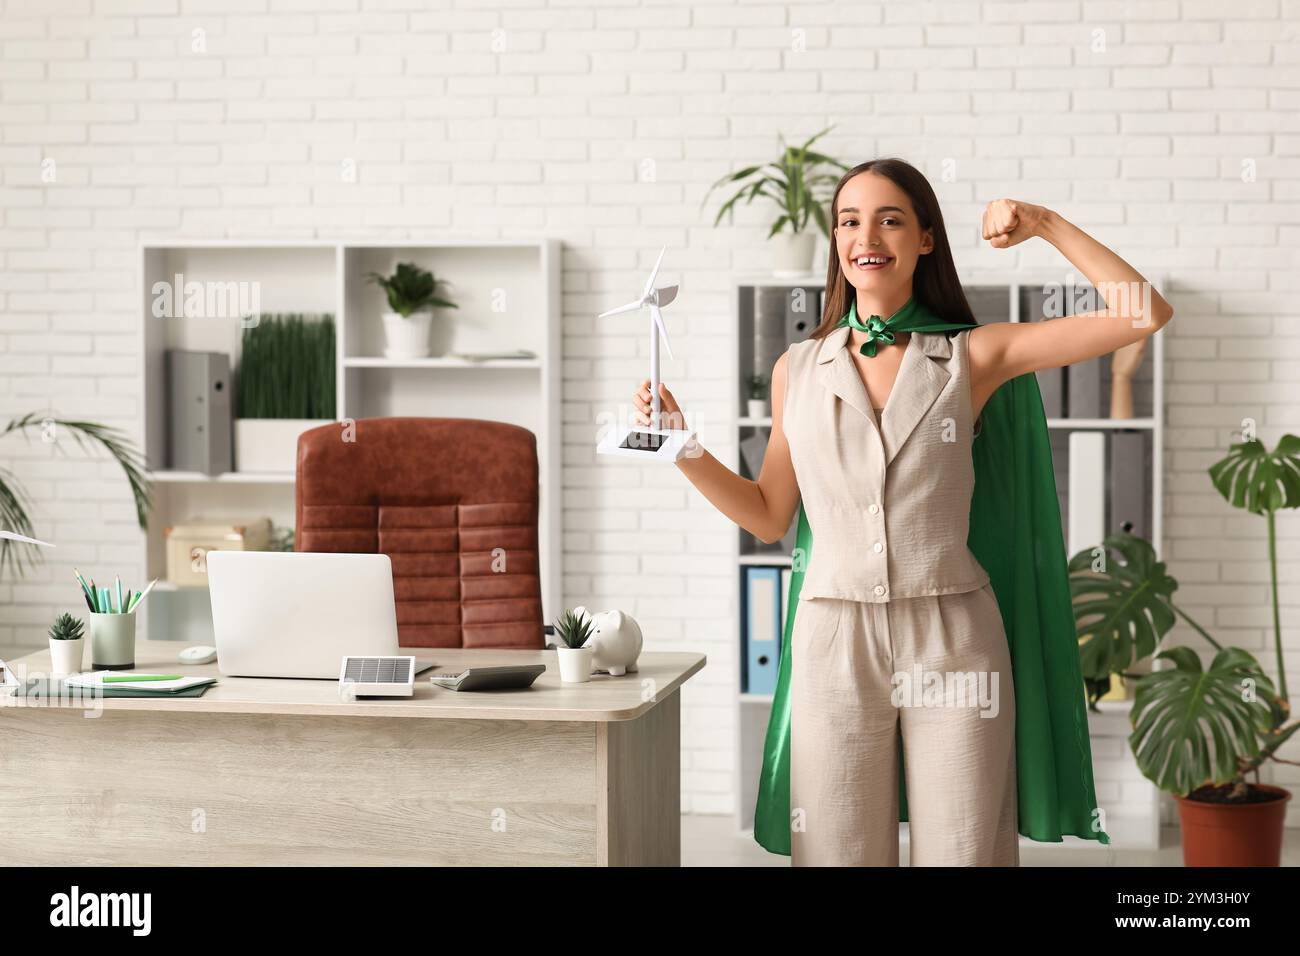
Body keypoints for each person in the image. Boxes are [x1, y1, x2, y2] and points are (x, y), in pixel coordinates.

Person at [632, 157, 1173, 866]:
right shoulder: (799, 366)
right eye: (850, 220)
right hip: (834, 637)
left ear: (925, 240)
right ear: (835, 241)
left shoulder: (972, 357)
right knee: (836, 850)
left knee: (964, 850)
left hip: (954, 634)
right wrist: (684, 447)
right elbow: (768, 516)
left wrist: (1041, 222)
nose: (868, 235)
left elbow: (1144, 312)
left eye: (891, 218)